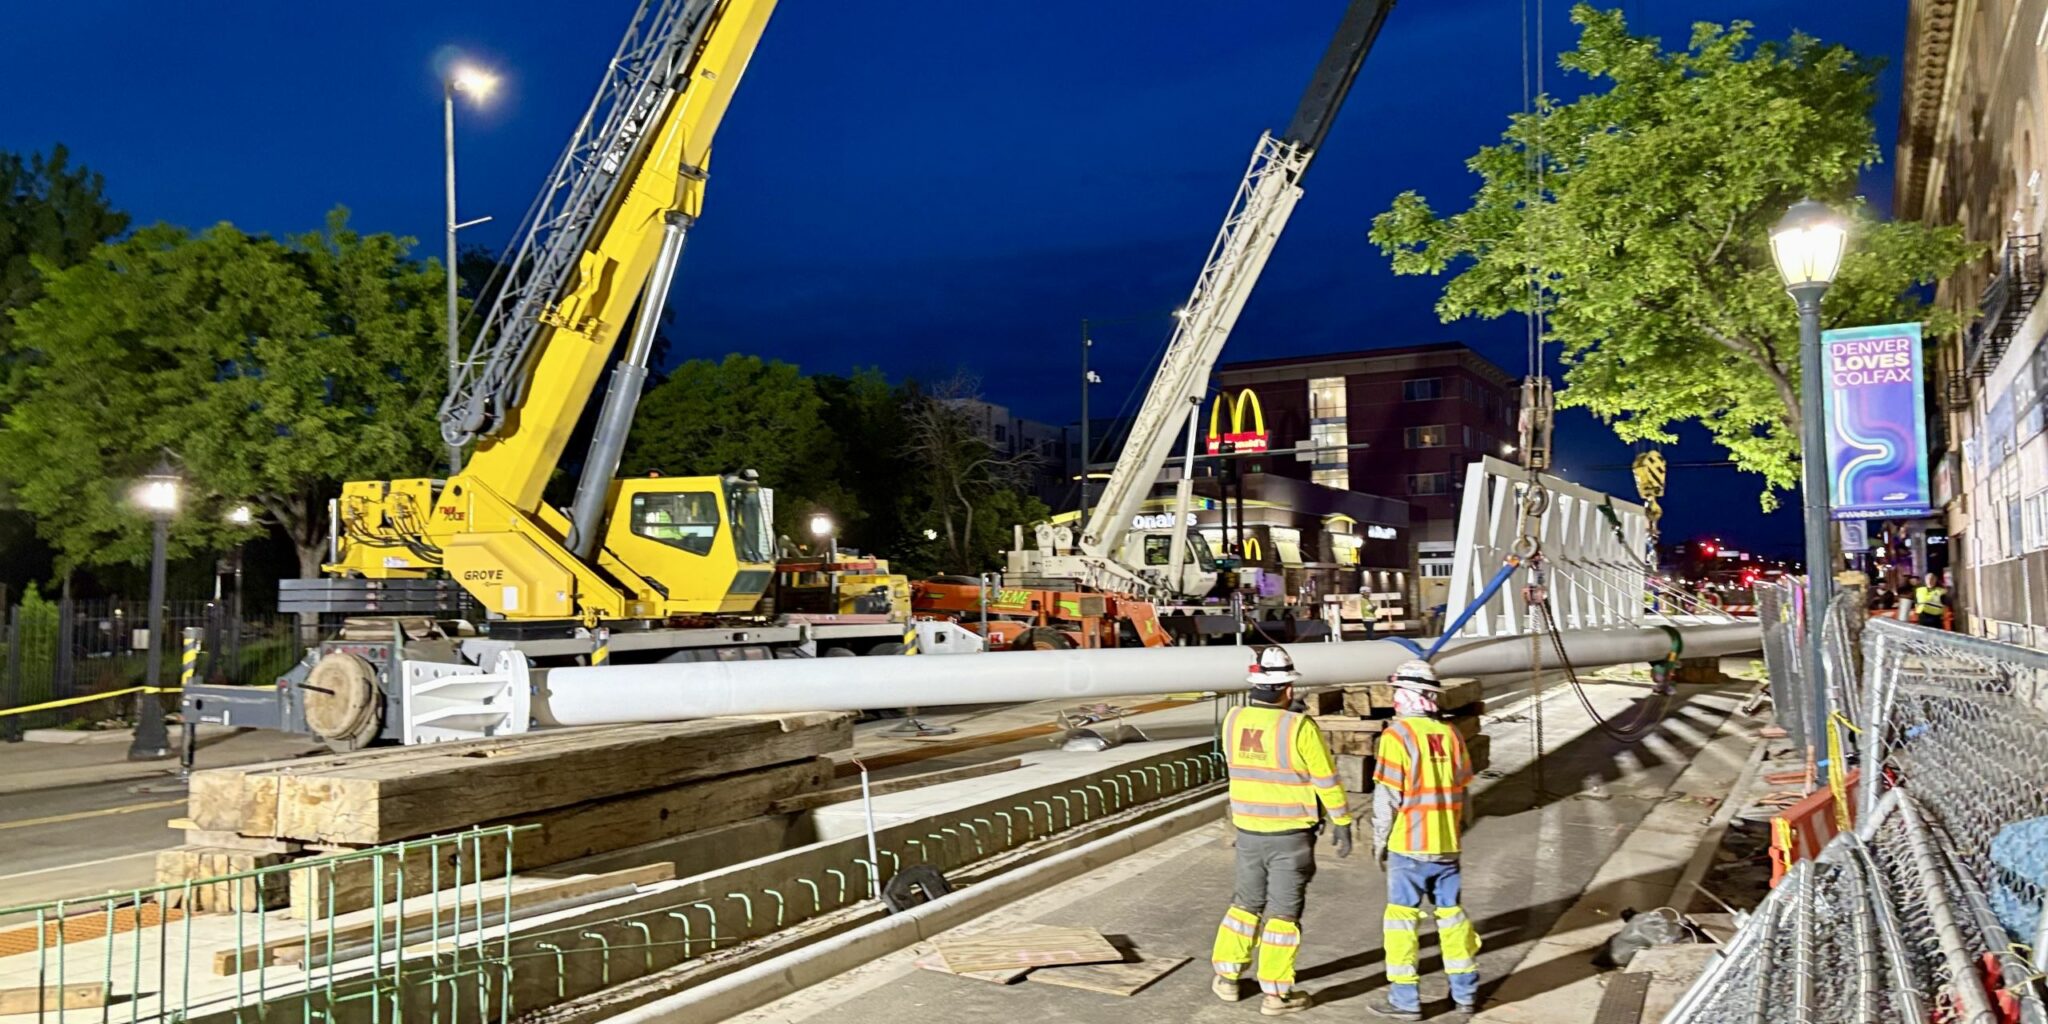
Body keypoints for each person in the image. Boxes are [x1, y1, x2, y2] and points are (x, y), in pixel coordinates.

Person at [1210, 646, 1354, 1016]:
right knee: (1283, 915)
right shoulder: (1299, 727)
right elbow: (1325, 779)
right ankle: (1276, 995)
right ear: (1287, 688)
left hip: (1247, 831)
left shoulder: (1232, 720)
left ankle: (1227, 978)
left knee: (1245, 905)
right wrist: (1342, 821)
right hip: (1290, 836)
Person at [1373, 659, 1479, 1019]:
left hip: (1408, 846)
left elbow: (1387, 798)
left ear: (1405, 695)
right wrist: (1458, 831)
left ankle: (1405, 1002)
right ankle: (1465, 995)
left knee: (1403, 924)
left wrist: (1379, 842)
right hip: (1447, 846)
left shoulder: (1396, 736)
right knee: (1452, 921)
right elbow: (1465, 794)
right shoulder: (1450, 735)